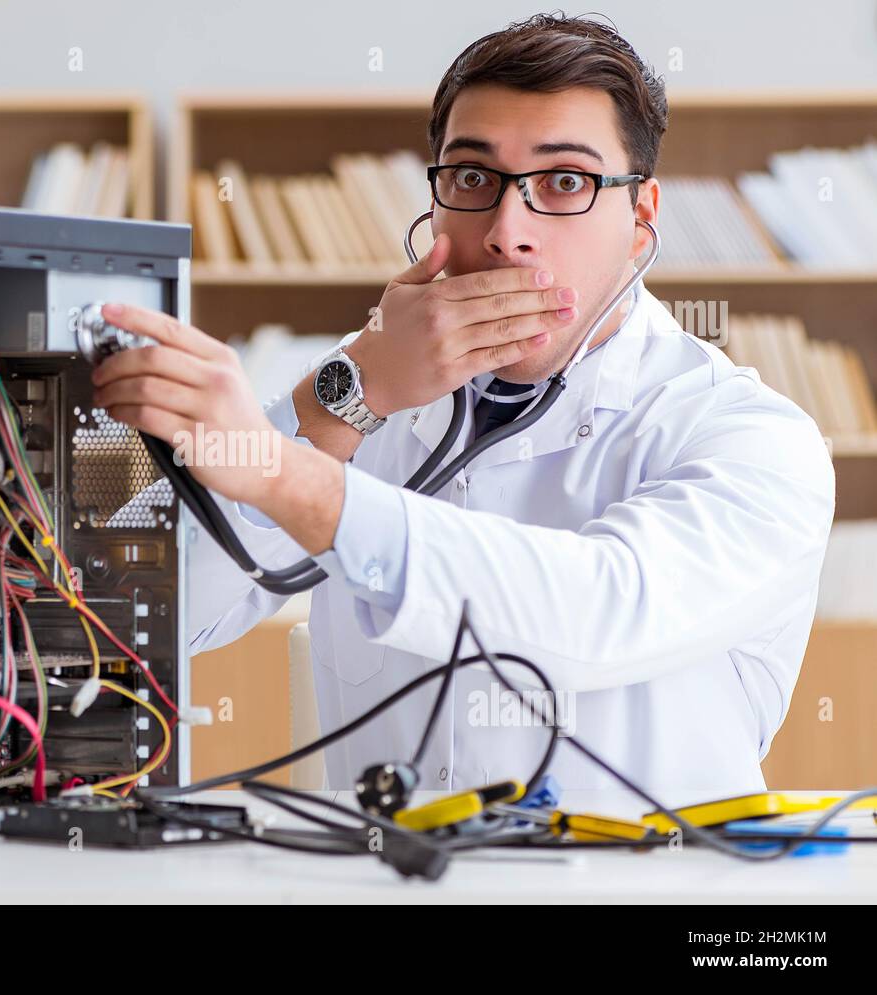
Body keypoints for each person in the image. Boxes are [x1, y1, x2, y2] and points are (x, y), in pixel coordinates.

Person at [90, 12, 835, 797]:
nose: (509, 232)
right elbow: (137, 616)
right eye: (474, 177)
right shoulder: (370, 396)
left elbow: (594, 615)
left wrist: (288, 477)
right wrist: (342, 396)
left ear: (641, 218)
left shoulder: (751, 436)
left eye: (566, 182)